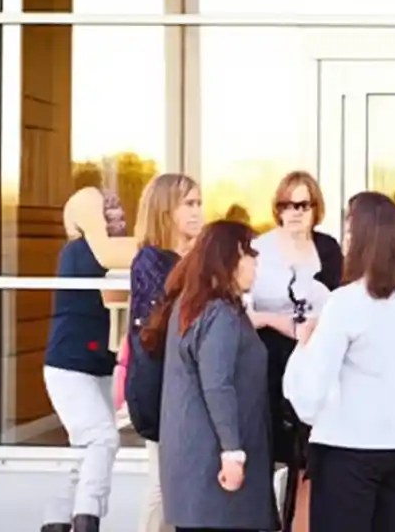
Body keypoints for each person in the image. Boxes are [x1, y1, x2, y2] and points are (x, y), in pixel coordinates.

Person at [284, 192, 395, 532]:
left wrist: (303, 345)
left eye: (350, 232)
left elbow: (309, 397)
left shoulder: (346, 303)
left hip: (349, 450)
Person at [143, 221, 278, 532]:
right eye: (251, 255)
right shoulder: (220, 314)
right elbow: (217, 385)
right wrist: (233, 453)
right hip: (214, 476)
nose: (257, 264)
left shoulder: (192, 306)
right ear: (231, 258)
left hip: (193, 472)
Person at [246, 171, 343, 530]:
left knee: (309, 458)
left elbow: (339, 304)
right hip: (268, 361)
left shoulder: (328, 248)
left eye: (302, 204)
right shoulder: (259, 248)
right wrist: (278, 321)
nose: (295, 212)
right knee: (268, 451)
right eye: (287, 205)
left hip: (314, 359)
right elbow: (244, 309)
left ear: (315, 208)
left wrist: (314, 327)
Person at [40, 188, 129, 532]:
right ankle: (86, 518)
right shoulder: (80, 251)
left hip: (96, 364)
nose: (117, 225)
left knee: (83, 448)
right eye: (109, 219)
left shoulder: (107, 256)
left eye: (121, 218)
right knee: (102, 437)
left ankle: (56, 520)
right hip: (69, 365)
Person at [124, 173, 202, 532]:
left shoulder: (182, 260)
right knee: (162, 484)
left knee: (174, 484)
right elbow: (162, 326)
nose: (197, 211)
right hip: (157, 387)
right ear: (165, 208)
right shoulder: (151, 262)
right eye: (189, 203)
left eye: (199, 203)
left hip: (179, 386)